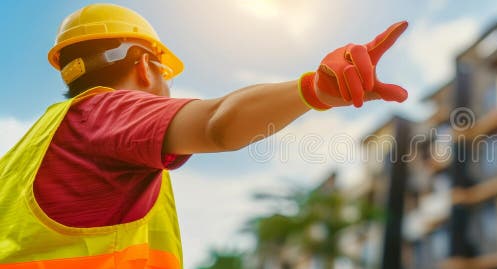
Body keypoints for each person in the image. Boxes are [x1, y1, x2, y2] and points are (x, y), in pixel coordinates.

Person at [0, 3, 408, 268]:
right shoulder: (107, 112)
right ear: (145, 66)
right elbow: (217, 124)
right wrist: (315, 90)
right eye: (166, 74)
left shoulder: (23, 156)